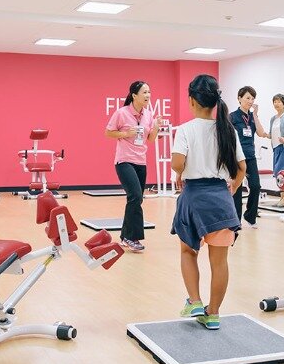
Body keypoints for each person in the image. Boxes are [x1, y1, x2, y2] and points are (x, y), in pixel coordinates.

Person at [171, 74, 246, 330]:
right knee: (220, 262)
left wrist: (180, 172)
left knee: (188, 251)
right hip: (221, 200)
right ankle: (213, 314)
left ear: (191, 100)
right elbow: (242, 167)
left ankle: (194, 301)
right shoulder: (228, 129)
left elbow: (177, 163)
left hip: (193, 197)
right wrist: (233, 187)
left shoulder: (185, 129)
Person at [105, 81, 159, 252]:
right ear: (134, 95)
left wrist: (156, 127)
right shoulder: (121, 113)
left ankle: (124, 236)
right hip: (124, 161)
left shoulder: (148, 114)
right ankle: (132, 237)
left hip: (141, 161)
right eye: (144, 92)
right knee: (135, 196)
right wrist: (125, 133)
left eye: (149, 92)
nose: (148, 95)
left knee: (136, 199)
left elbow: (150, 139)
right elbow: (108, 132)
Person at [231, 86, 269, 228]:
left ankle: (250, 217)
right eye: (247, 98)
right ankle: (236, 220)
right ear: (239, 98)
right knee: (237, 187)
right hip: (237, 157)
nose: (250, 101)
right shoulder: (232, 116)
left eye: (252, 98)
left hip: (250, 156)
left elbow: (260, 133)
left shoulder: (252, 117)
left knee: (255, 185)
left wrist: (255, 115)